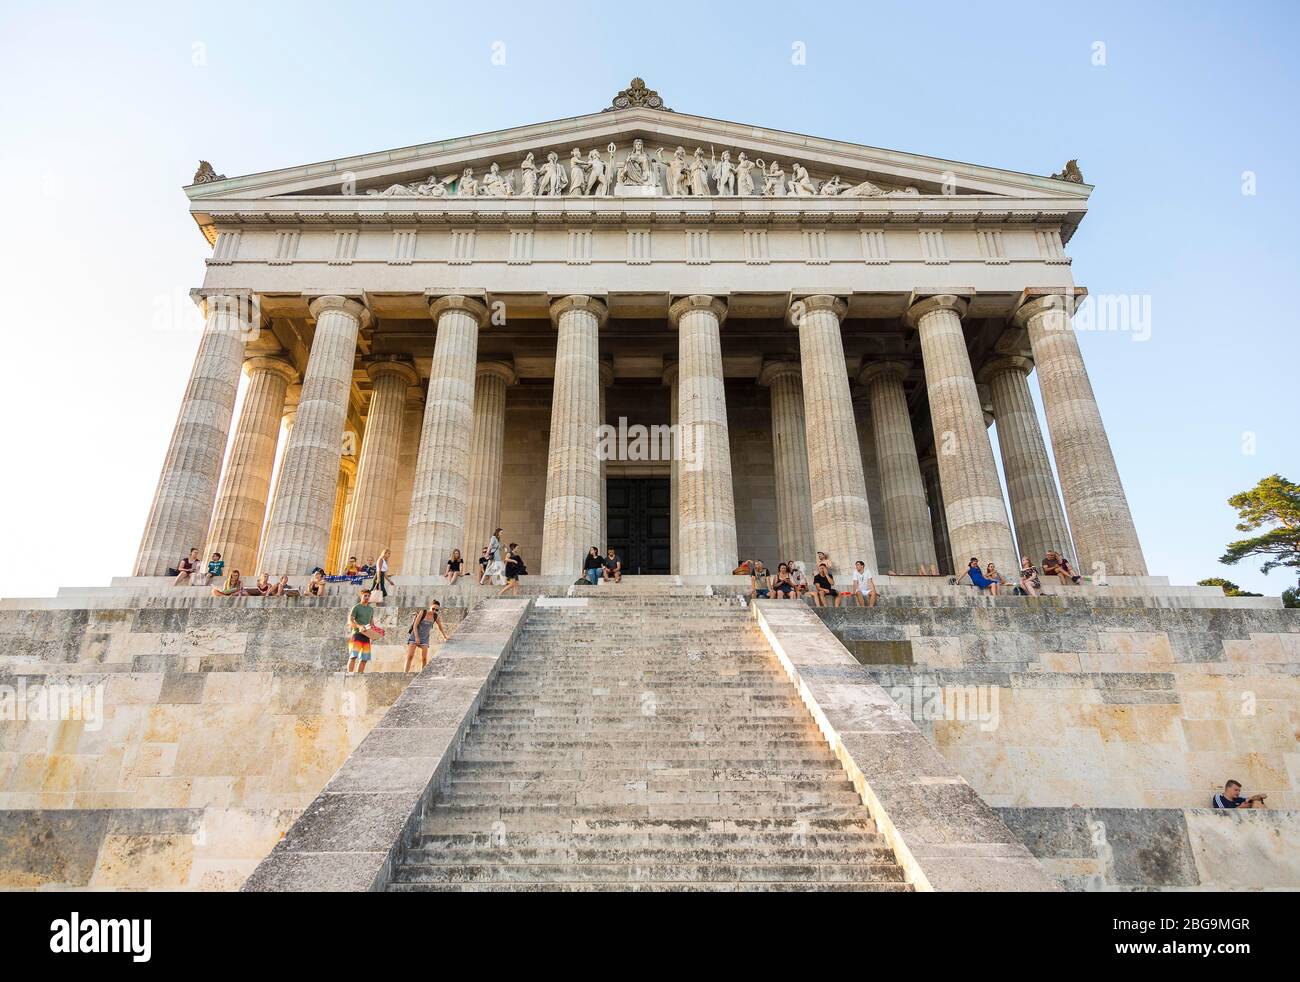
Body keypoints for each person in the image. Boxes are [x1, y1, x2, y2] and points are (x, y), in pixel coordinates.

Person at [404, 599, 448, 672]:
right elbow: (415, 625)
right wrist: (417, 637)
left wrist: (444, 636)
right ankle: (405, 674)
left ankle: (422, 675)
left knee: (424, 659)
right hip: (415, 636)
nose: (434, 611)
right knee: (410, 656)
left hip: (424, 638)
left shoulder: (435, 617)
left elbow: (440, 627)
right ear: (430, 607)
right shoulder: (422, 612)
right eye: (433, 608)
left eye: (436, 610)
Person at [346, 589, 383, 674]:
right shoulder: (356, 607)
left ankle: (359, 676)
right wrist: (359, 627)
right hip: (357, 634)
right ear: (361, 596)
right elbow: (350, 621)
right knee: (353, 656)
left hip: (367, 636)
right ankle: (350, 675)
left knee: (364, 658)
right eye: (365, 595)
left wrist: (374, 635)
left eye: (368, 596)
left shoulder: (370, 609)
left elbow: (371, 623)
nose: (367, 597)